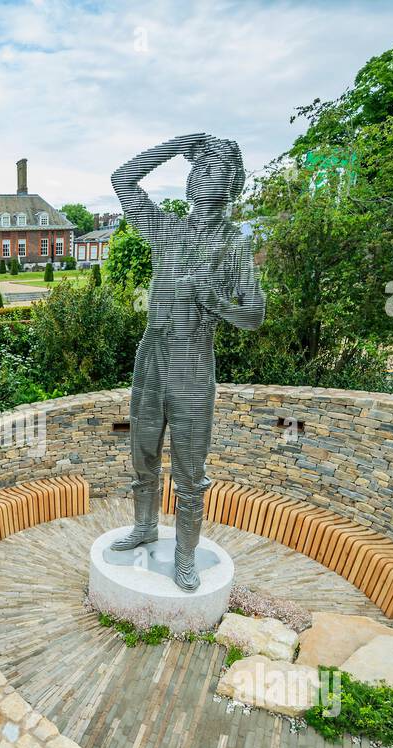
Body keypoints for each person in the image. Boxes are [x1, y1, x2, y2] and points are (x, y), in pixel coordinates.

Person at [109, 133, 264, 591]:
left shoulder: (233, 247)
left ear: (231, 185)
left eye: (218, 171)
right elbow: (122, 179)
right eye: (201, 170)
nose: (205, 179)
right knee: (142, 455)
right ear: (191, 181)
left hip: (193, 365)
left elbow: (254, 315)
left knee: (191, 473)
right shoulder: (167, 229)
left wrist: (214, 299)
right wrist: (178, 145)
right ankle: (144, 528)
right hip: (151, 357)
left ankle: (184, 555)